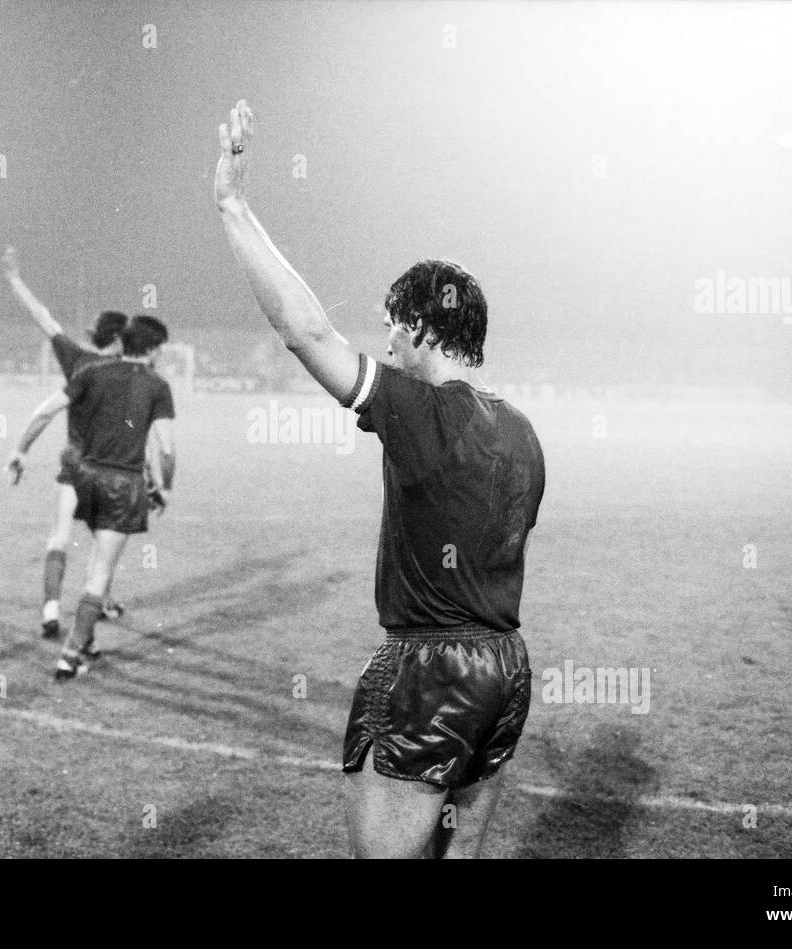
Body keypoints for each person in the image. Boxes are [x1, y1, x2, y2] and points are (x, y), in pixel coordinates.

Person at [213, 100, 545, 858]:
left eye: (394, 324)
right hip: (504, 666)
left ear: (423, 329)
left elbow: (304, 331)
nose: (386, 342)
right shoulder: (522, 429)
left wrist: (233, 206)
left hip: (433, 671)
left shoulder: (423, 412)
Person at [7, 315, 175, 680]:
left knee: (84, 555)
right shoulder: (157, 386)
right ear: (151, 348)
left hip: (84, 478)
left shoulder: (92, 372)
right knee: (100, 572)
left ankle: (84, 643)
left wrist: (21, 450)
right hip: (123, 483)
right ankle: (69, 655)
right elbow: (166, 449)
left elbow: (46, 410)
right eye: (160, 347)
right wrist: (164, 488)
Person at [1, 245, 128, 636]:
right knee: (103, 542)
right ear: (121, 339)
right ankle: (100, 601)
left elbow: (43, 317)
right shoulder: (130, 373)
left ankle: (51, 612)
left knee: (59, 537)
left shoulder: (76, 361)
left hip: (75, 467)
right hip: (109, 469)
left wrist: (14, 279)